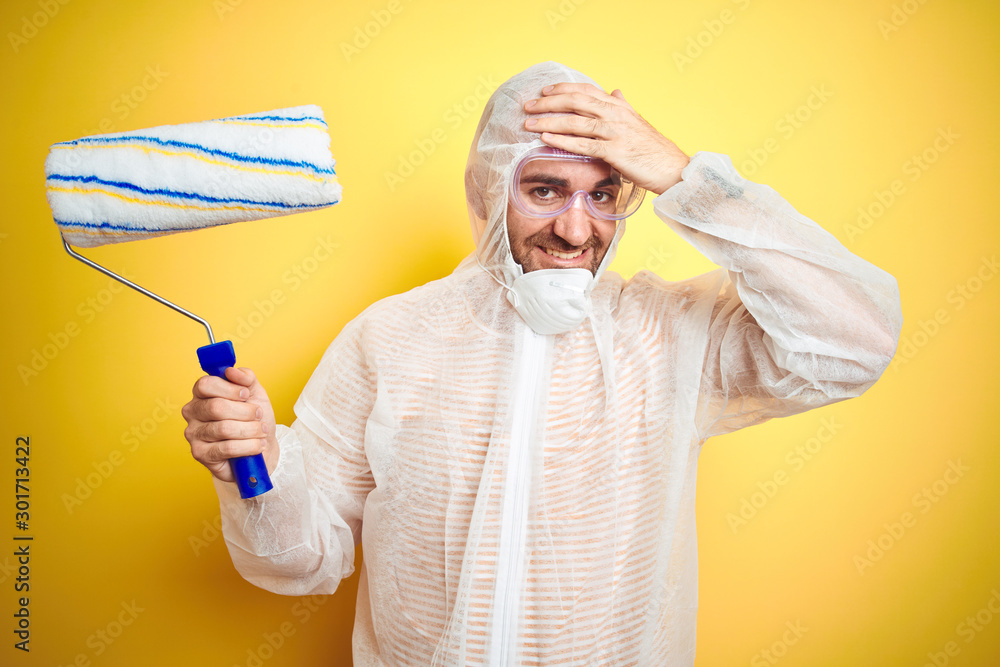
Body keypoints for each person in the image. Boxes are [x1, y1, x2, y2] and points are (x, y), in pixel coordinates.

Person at [182, 62, 901, 666]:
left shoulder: (671, 334)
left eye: (605, 193)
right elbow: (301, 560)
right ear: (490, 190)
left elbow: (855, 339)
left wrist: (684, 177)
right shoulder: (391, 337)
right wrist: (262, 466)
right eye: (545, 189)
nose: (576, 227)